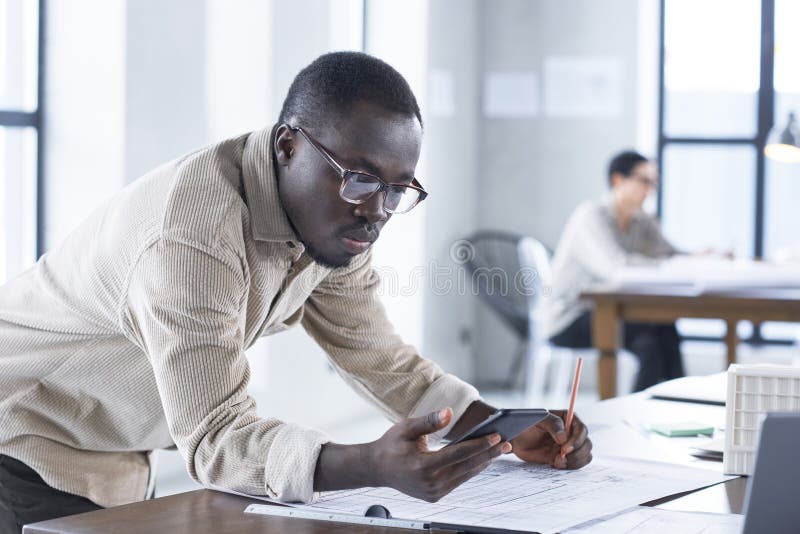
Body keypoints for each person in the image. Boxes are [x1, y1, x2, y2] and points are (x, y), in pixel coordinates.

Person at [0, 52, 592, 532]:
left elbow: (381, 361)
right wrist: (370, 465)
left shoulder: (335, 223)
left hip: (115, 454)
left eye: (398, 189)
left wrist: (502, 430)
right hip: (22, 441)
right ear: (288, 146)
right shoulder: (193, 234)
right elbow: (216, 436)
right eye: (360, 178)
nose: (377, 212)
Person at [547, 150, 684, 391]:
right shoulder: (590, 216)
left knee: (659, 333)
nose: (650, 189)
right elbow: (615, 268)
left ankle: (671, 404)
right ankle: (659, 406)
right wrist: (662, 265)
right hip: (572, 317)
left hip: (614, 311)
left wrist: (703, 258)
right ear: (618, 180)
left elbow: (671, 255)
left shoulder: (641, 220)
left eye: (654, 182)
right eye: (644, 181)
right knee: (656, 332)